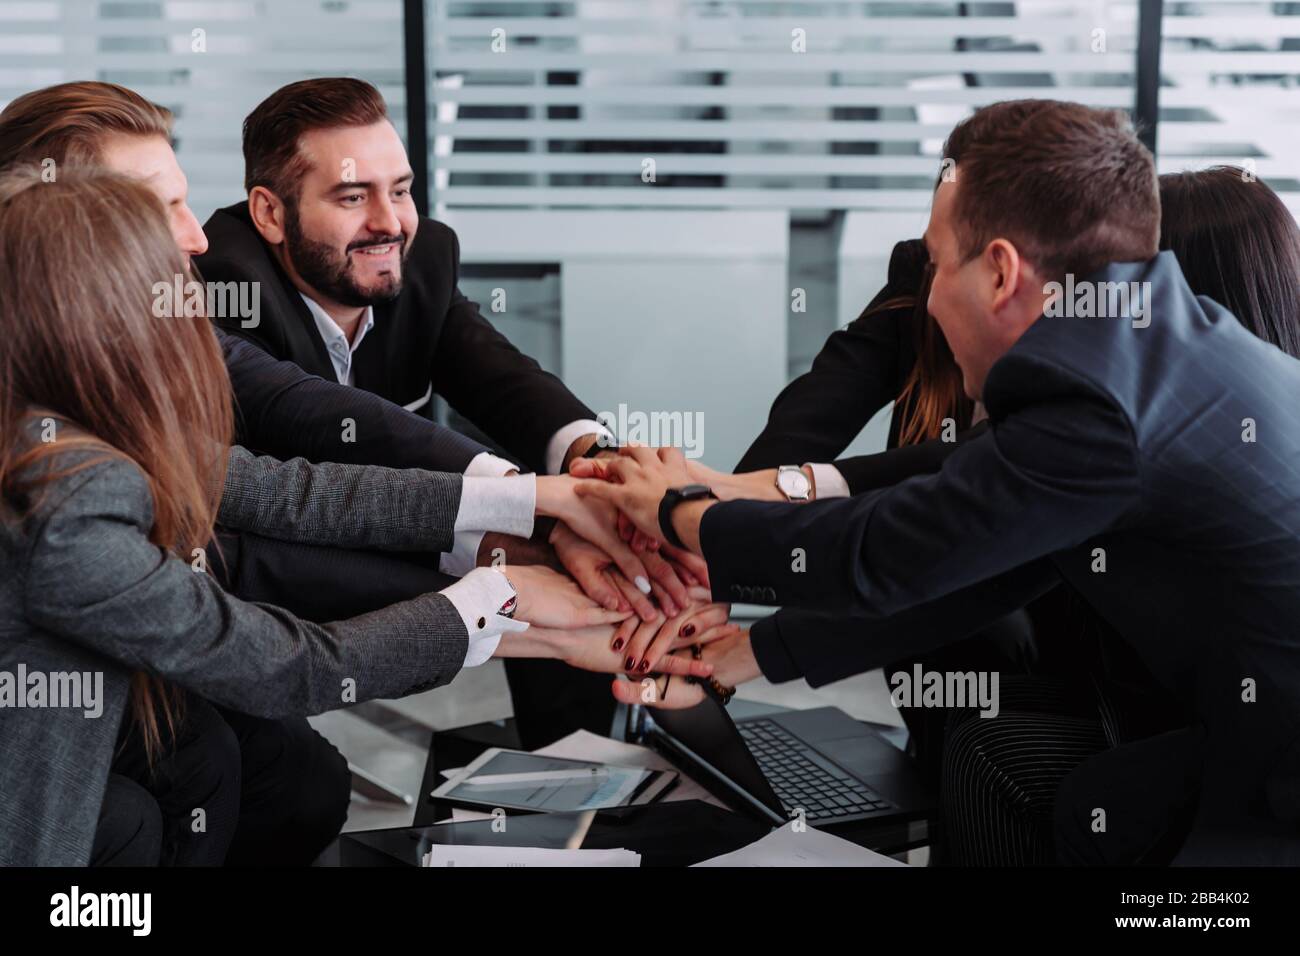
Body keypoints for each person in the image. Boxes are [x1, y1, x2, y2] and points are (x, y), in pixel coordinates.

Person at [576, 100, 1300, 864]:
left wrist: (679, 512)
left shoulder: (1094, 396)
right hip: (1251, 736)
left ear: (997, 271)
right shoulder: (1149, 340)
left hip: (1275, 787)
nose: (926, 298)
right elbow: (983, 564)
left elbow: (883, 551)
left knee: (1094, 807)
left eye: (938, 261)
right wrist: (742, 655)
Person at [0, 166, 720, 866]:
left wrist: (548, 503)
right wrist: (501, 599)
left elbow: (288, 491)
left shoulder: (51, 423)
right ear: (100, 316)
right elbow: (285, 667)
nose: (195, 248)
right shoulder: (66, 500)